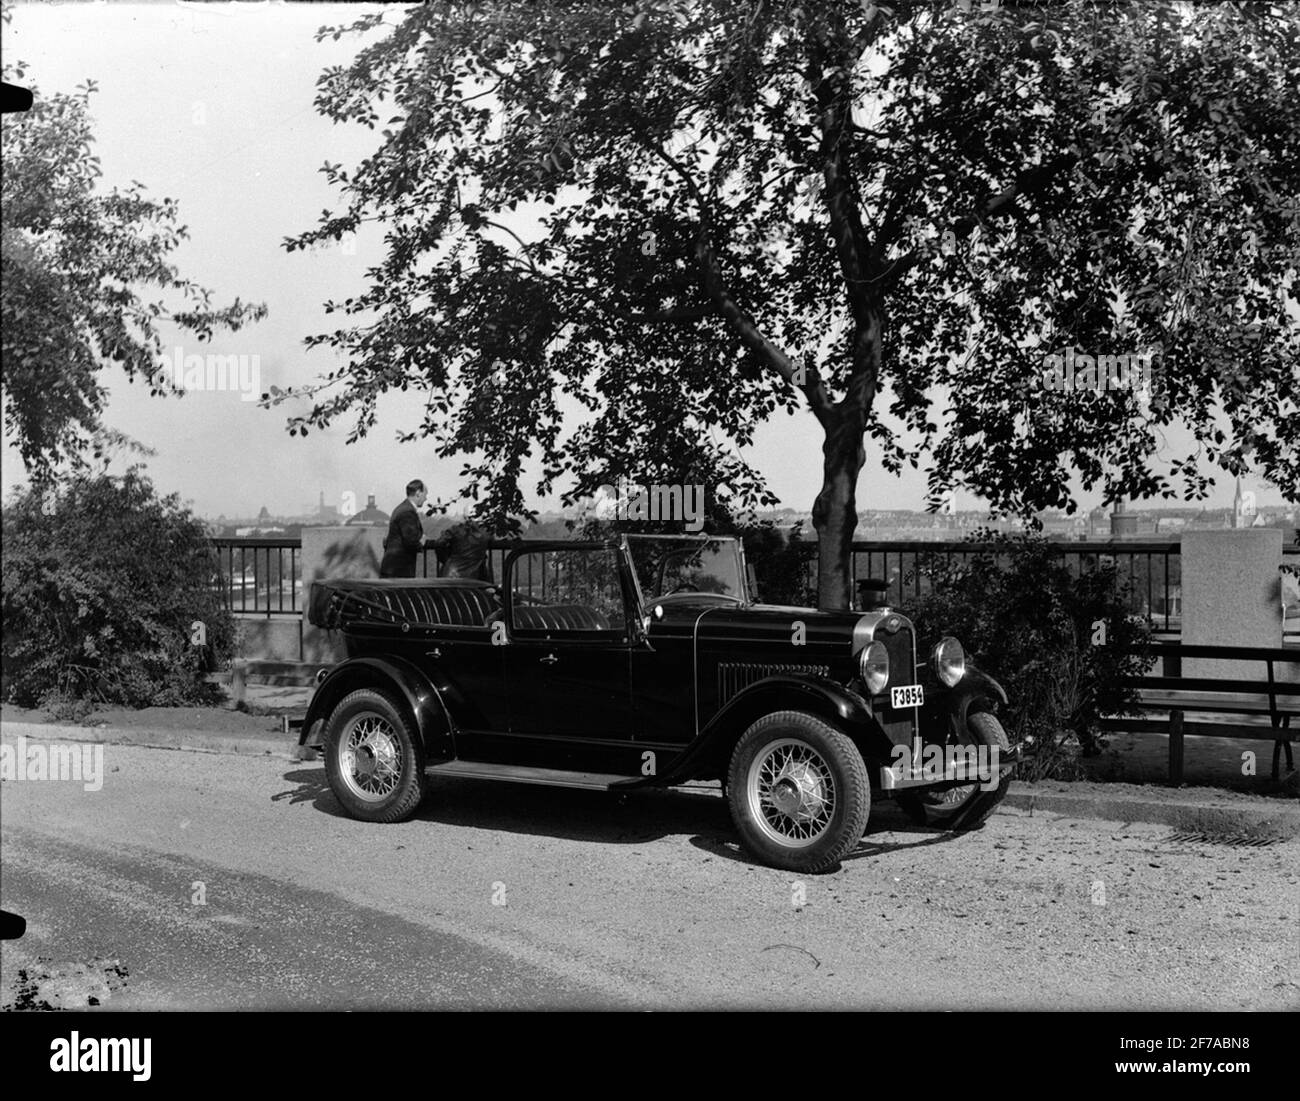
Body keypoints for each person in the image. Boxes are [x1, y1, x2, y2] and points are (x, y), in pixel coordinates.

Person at [379, 479, 433, 578]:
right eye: (425, 494)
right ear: (418, 493)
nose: (426, 498)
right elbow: (410, 541)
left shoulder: (402, 508)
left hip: (393, 570)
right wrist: (421, 541)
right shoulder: (407, 512)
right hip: (398, 571)